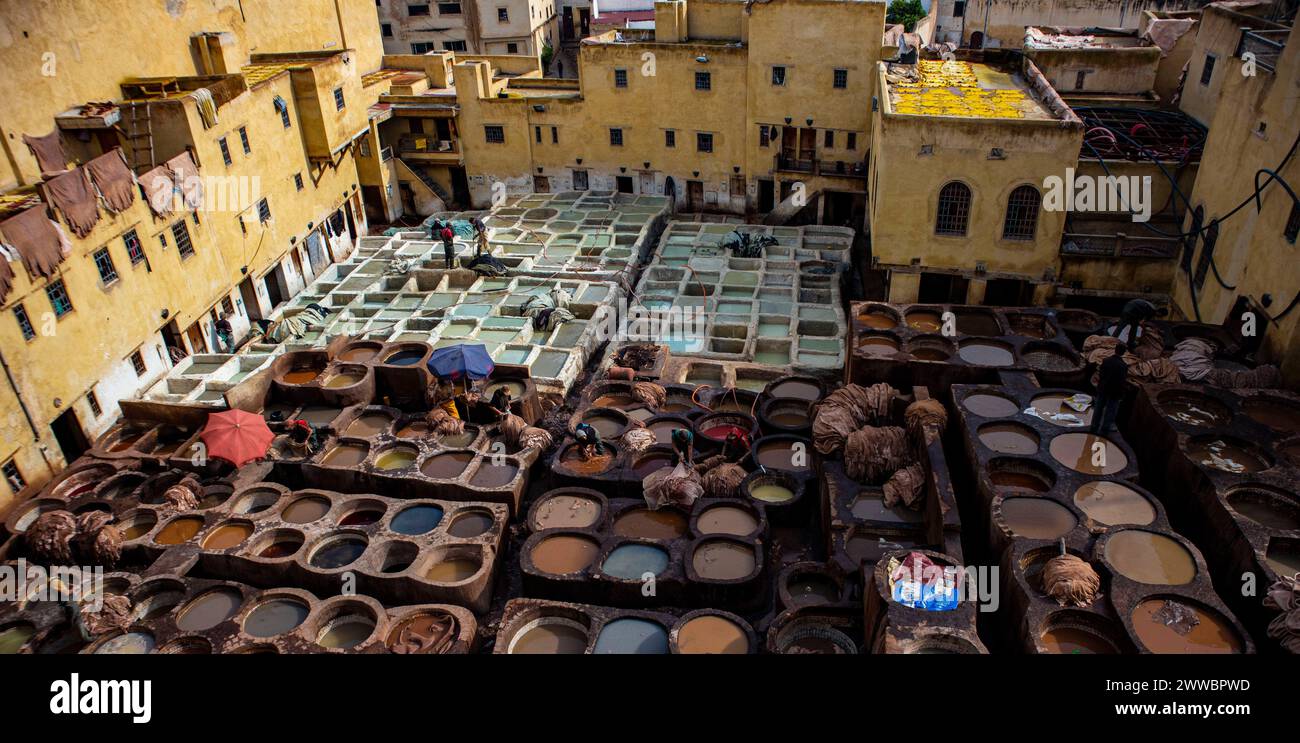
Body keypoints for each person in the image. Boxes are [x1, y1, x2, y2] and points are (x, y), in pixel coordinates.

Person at [1090, 342, 1129, 435]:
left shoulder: (1106, 361)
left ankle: (1094, 426)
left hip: (1103, 388)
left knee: (1098, 408)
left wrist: (1100, 386)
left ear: (1115, 350)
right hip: (1114, 392)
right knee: (1110, 411)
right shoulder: (1123, 366)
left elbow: (1101, 374)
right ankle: (1105, 428)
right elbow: (1121, 381)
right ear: (1123, 353)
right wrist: (1121, 394)